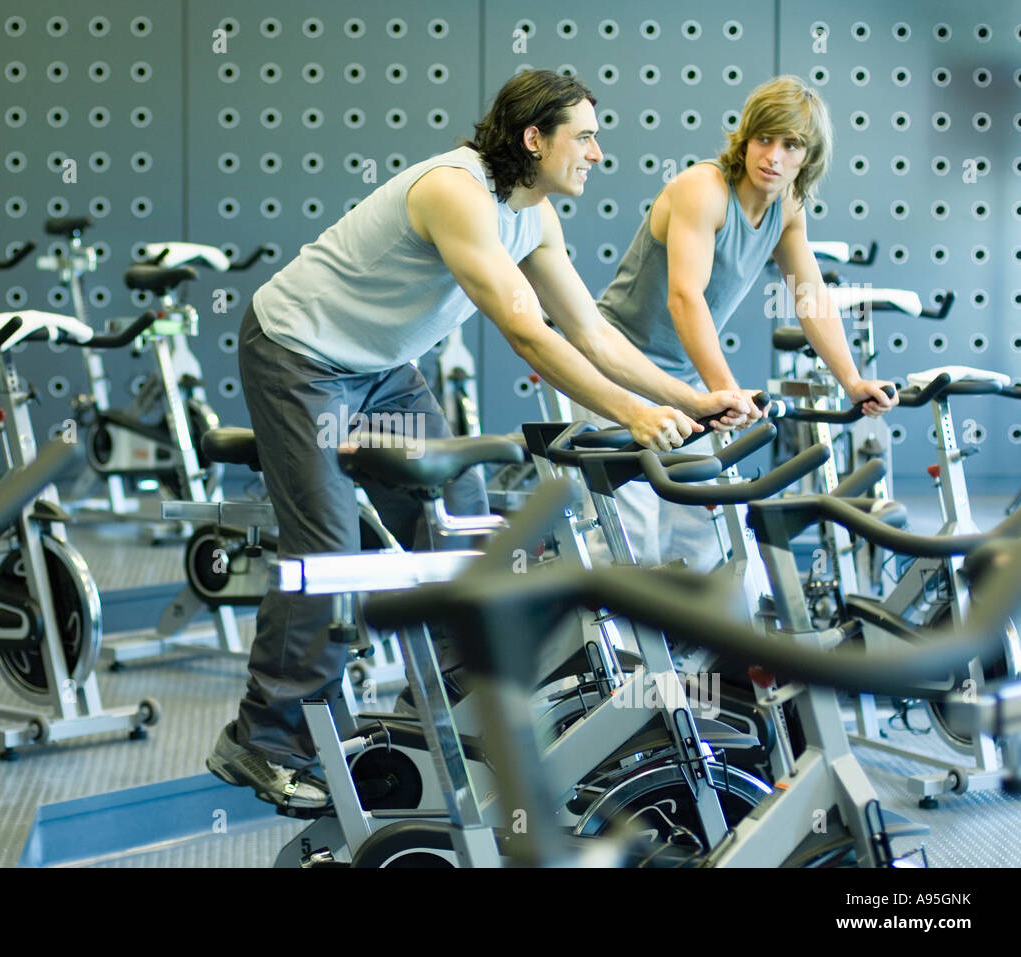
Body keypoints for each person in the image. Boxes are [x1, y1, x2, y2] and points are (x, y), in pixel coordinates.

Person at [206, 69, 754, 811]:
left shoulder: (534, 217)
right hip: (299, 356)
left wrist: (693, 397)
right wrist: (630, 414)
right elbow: (528, 332)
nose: (597, 152)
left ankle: (459, 697)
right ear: (535, 139)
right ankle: (263, 736)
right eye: (584, 137)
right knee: (329, 554)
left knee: (457, 519)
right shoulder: (454, 192)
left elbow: (587, 330)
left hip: (381, 370)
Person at [581, 74, 898, 571]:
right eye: (764, 139)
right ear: (746, 138)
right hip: (617, 367)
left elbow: (810, 294)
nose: (772, 156)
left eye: (790, 144)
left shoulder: (788, 205)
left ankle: (697, 647)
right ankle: (604, 647)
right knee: (632, 533)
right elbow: (685, 297)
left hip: (684, 382)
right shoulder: (703, 189)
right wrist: (724, 388)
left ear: (807, 156)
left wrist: (852, 380)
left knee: (701, 533)